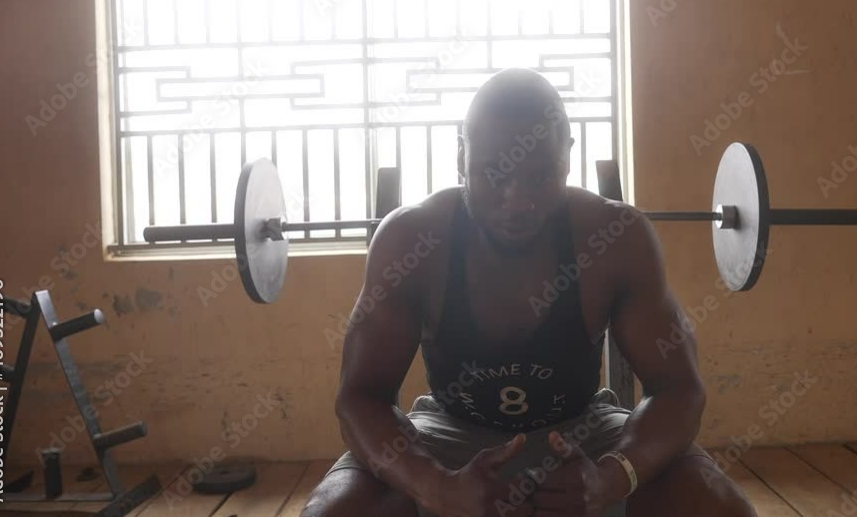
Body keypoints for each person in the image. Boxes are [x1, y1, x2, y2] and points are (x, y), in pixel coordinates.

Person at [304, 68, 757, 517]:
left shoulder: (616, 237)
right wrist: (436, 486)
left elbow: (679, 389)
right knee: (331, 512)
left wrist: (612, 476)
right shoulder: (411, 241)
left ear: (568, 156)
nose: (516, 201)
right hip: (448, 434)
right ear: (461, 157)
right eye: (493, 175)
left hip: (584, 434)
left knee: (718, 507)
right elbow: (360, 398)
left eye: (540, 177)